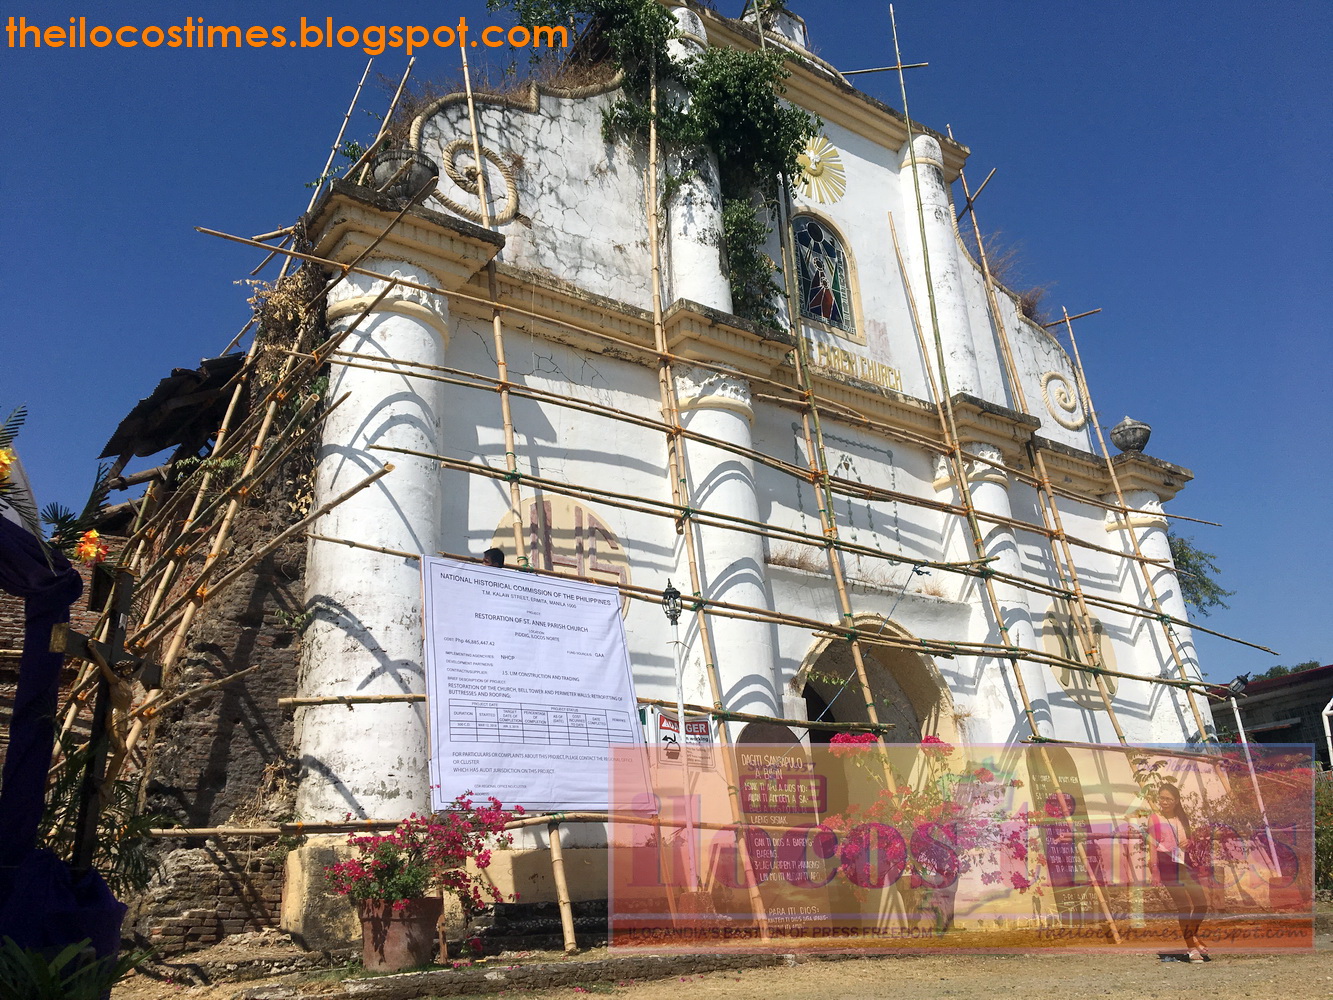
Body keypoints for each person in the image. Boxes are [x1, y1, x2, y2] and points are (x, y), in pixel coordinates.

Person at [1148, 783, 1208, 962]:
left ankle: (1193, 935)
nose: (1164, 802)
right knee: (1183, 906)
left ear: (1176, 801)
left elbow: (1188, 841)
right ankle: (1191, 948)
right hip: (1166, 865)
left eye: (1168, 799)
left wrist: (1188, 843)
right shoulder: (1155, 818)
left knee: (1201, 904)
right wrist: (1155, 871)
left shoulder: (1182, 817)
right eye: (1162, 798)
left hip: (1184, 864)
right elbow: (1151, 846)